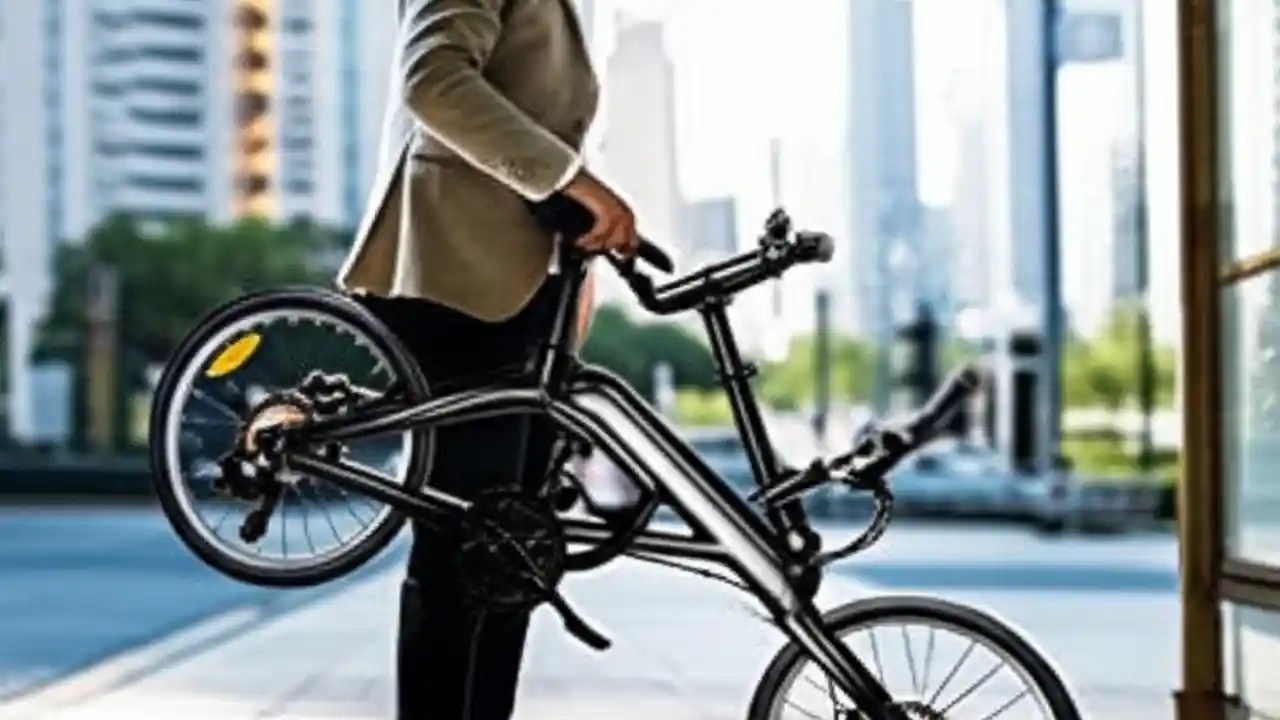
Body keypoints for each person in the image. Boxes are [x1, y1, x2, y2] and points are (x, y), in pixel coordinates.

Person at [336, 0, 638, 718]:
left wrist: (573, 261)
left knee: (515, 556)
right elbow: (433, 79)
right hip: (454, 277)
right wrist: (571, 180)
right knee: (465, 552)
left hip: (525, 291)